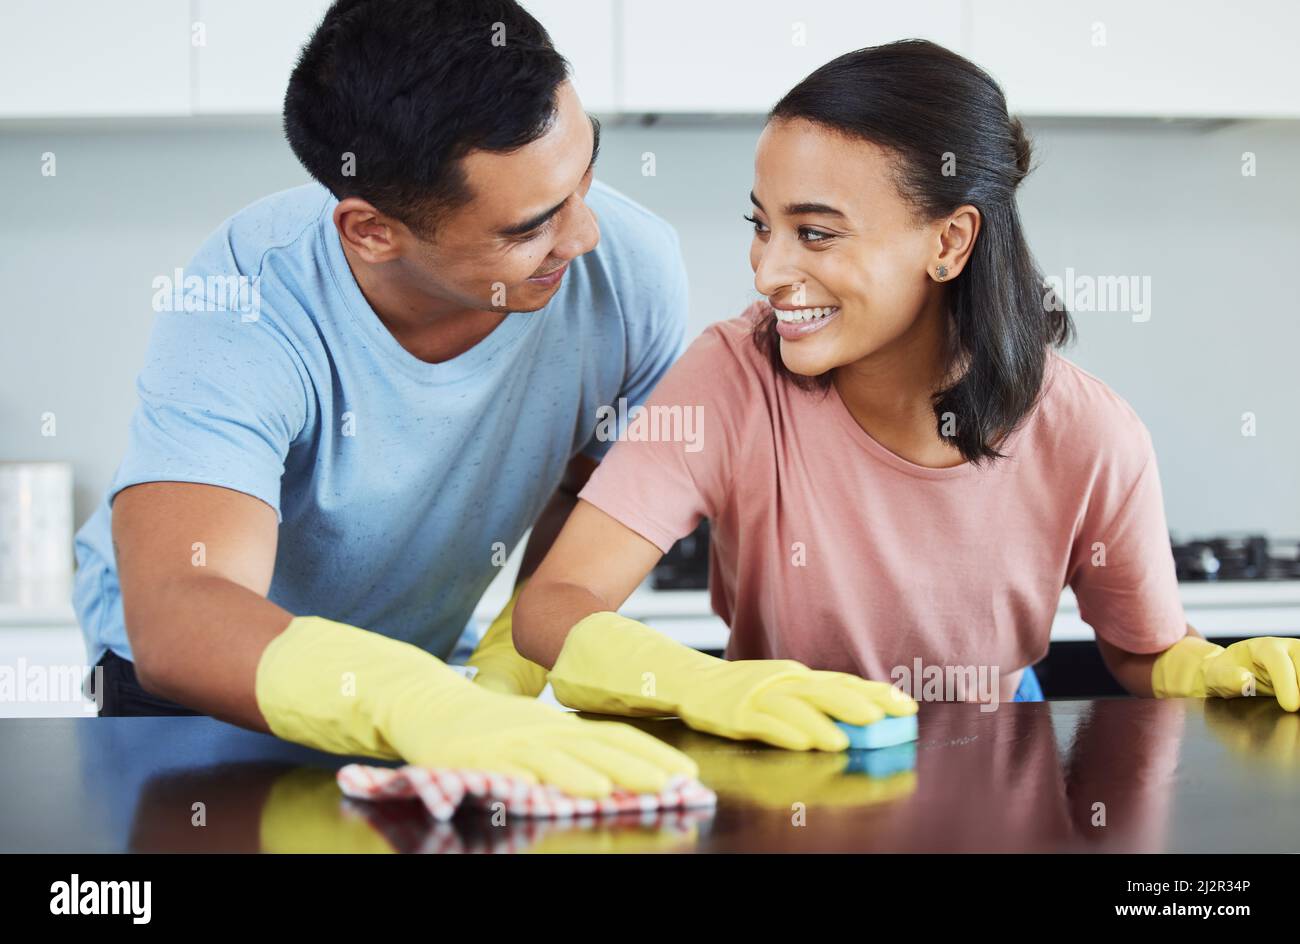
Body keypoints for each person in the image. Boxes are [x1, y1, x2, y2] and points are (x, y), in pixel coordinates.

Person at [511, 39, 1300, 748]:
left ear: (949, 242)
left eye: (815, 233)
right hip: (787, 794)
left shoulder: (1089, 433)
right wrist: (700, 683)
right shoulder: (733, 379)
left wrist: (1209, 668)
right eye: (763, 225)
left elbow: (1143, 650)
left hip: (998, 797)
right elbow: (553, 604)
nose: (768, 271)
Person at [71, 0, 699, 797]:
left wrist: (507, 664)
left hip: (424, 675)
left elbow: (590, 492)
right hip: (206, 689)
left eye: (586, 176)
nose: (584, 237)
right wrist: (412, 701)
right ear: (370, 231)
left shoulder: (632, 271)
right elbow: (182, 612)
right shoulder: (243, 299)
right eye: (528, 228)